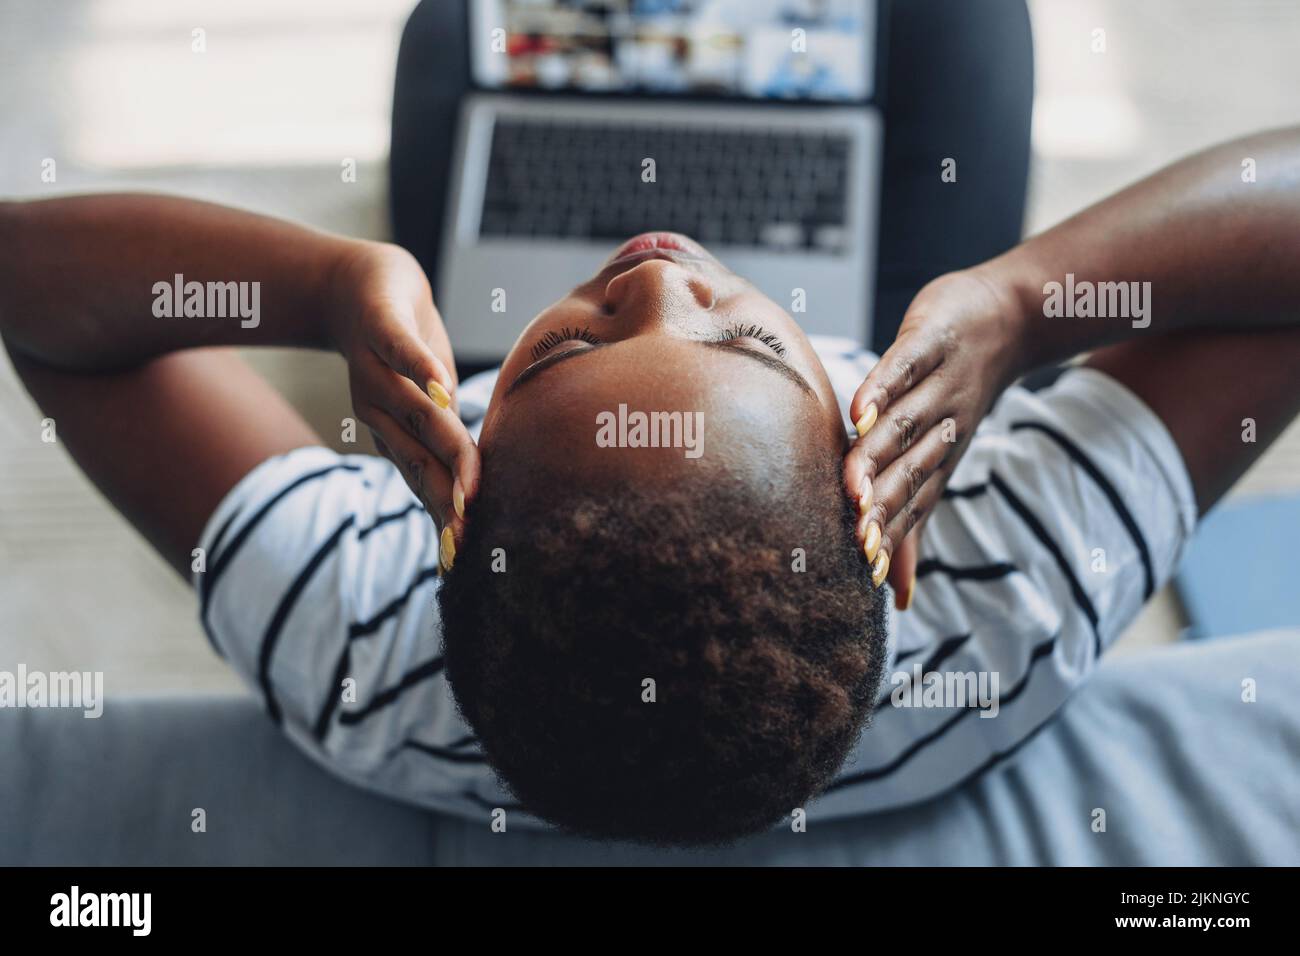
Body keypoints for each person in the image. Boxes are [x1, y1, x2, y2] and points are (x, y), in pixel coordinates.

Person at [2, 127, 1299, 847]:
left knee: (469, 50)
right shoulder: (1001, 595)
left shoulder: (354, 632)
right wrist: (1020, 301)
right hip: (937, 336)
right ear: (901, 536)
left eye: (565, 347)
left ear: (444, 513)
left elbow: (35, 293)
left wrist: (328, 286)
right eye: (745, 341)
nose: (663, 268)